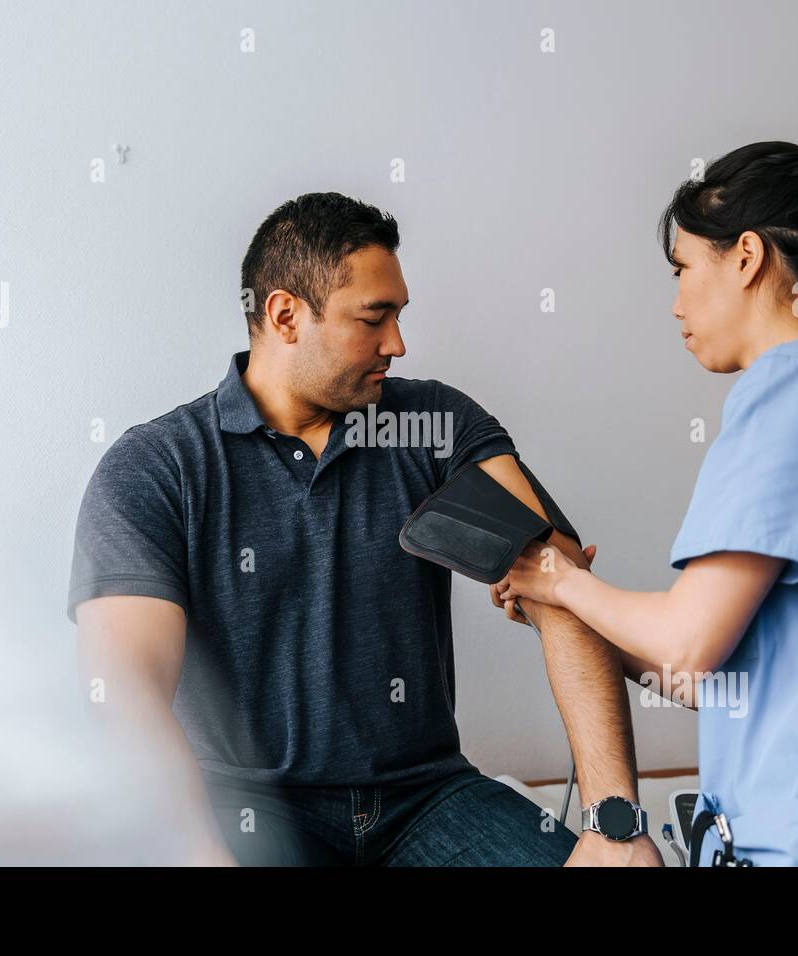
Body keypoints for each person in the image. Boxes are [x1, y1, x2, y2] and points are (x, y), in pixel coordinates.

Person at [68, 192, 661, 866]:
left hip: (430, 798)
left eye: (399, 316)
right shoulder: (156, 466)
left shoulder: (435, 426)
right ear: (285, 315)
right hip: (250, 805)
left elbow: (562, 590)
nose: (397, 344)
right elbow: (124, 682)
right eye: (373, 319)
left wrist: (615, 823)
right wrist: (196, 850)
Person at [496, 136, 798, 866]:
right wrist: (571, 610)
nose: (675, 304)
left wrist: (563, 579)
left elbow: (689, 651)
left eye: (683, 269)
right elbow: (729, 680)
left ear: (747, 257)